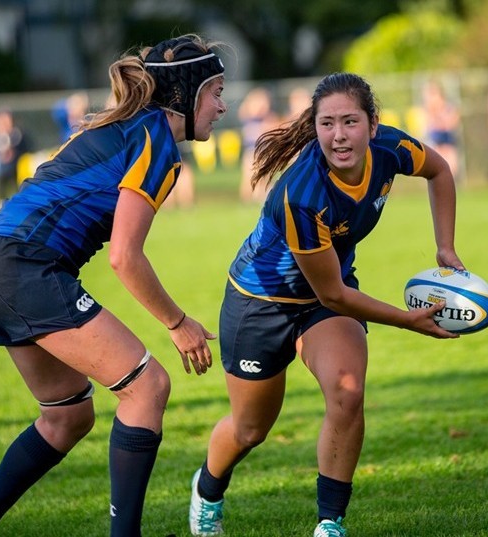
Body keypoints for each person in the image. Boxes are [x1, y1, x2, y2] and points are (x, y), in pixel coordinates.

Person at [0, 34, 226, 537]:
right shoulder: (156, 141)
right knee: (147, 387)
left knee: (67, 417)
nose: (222, 106)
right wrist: (177, 323)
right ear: (185, 94)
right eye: (216, 92)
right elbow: (124, 257)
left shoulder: (129, 126)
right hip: (22, 263)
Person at [187, 72, 463, 537]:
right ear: (314, 127)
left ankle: (329, 522)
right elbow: (333, 293)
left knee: (348, 391)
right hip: (261, 302)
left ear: (373, 124)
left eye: (350, 122)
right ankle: (208, 488)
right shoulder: (303, 193)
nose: (339, 136)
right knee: (250, 429)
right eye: (327, 123)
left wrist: (445, 247)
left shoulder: (392, 149)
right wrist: (407, 320)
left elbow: (439, 171)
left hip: (324, 296)